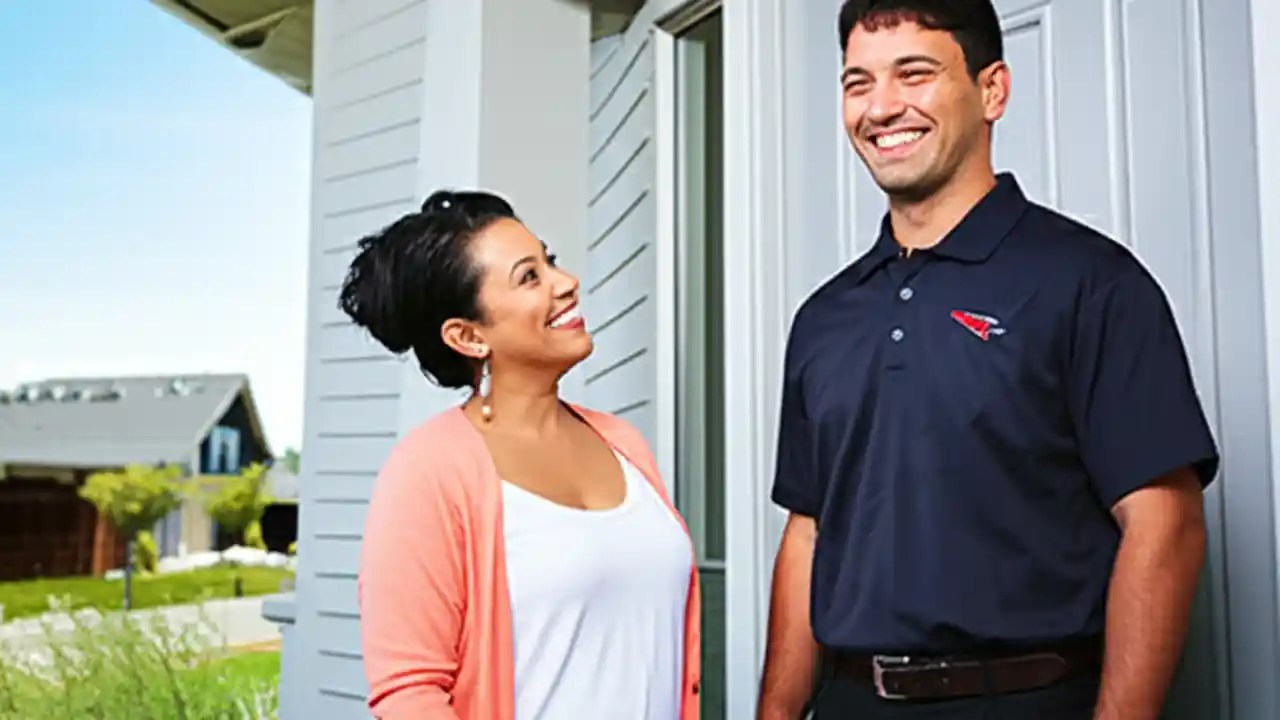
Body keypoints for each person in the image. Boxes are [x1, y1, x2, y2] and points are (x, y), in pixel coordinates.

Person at [757, 1, 1219, 719]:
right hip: (852, 701)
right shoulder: (823, 319)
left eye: (914, 74)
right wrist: (777, 714)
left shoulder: (1091, 283)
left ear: (992, 90)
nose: (881, 107)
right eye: (858, 83)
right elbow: (809, 532)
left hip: (1028, 698)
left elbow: (1165, 524)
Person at [343, 190, 702, 720]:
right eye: (529, 276)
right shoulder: (427, 472)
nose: (566, 282)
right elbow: (409, 692)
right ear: (468, 336)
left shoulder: (623, 444)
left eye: (549, 260)